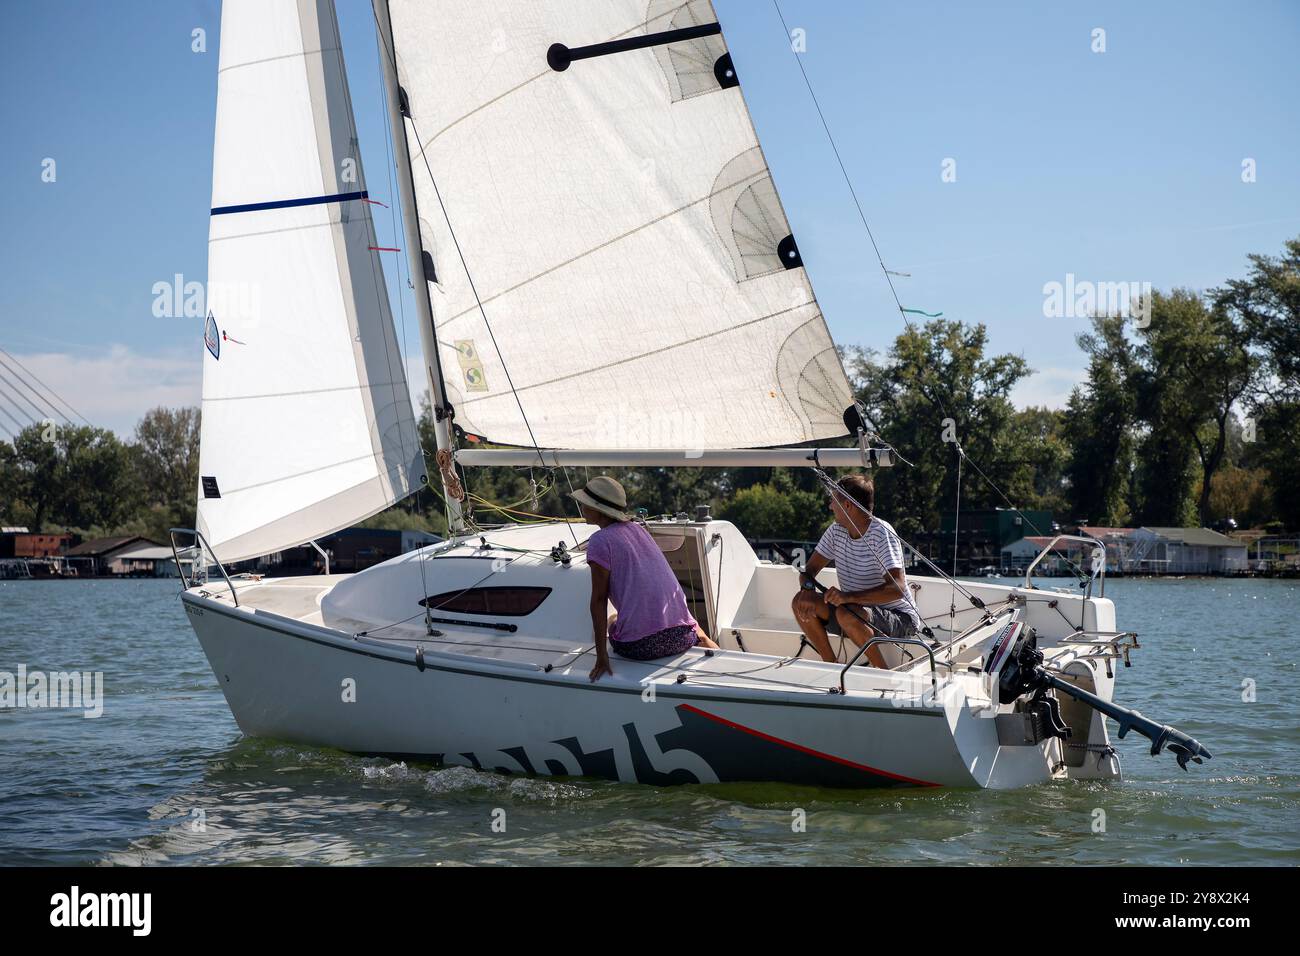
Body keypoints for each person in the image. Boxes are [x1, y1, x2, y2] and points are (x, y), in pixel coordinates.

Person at [574, 476, 718, 682]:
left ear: (598, 510)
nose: (582, 508)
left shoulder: (599, 541)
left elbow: (598, 600)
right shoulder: (637, 529)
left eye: (585, 504)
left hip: (641, 645)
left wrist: (601, 656)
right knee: (692, 624)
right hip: (681, 637)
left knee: (613, 619)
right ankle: (716, 652)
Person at [791, 474, 921, 666]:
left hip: (900, 618)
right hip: (854, 611)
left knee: (847, 614)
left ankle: (882, 672)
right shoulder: (836, 531)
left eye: (833, 501)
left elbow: (898, 588)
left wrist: (847, 597)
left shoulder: (881, 532)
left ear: (848, 506)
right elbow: (809, 571)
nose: (830, 506)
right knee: (800, 602)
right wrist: (807, 589)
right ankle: (831, 663)